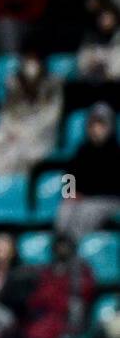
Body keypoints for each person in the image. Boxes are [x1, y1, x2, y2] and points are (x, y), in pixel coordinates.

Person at [0, 51, 62, 192]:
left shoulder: (52, 83)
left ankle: (11, 194)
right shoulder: (15, 82)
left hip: (39, 136)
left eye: (35, 60)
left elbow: (52, 116)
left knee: (17, 157)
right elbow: (6, 113)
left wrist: (25, 131)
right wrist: (13, 130)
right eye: (28, 60)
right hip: (13, 133)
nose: (31, 65)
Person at [21, 234, 96, 338]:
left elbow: (85, 294)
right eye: (59, 247)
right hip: (45, 319)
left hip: (69, 319)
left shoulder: (80, 271)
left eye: (65, 247)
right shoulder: (48, 271)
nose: (62, 250)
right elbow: (37, 298)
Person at [55, 101, 120, 241]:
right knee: (65, 209)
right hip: (83, 199)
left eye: (101, 125)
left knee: (88, 211)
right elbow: (68, 175)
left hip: (108, 201)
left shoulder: (116, 153)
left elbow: (112, 187)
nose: (97, 129)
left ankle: (76, 250)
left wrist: (86, 194)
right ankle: (60, 246)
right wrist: (70, 194)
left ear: (110, 127)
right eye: (93, 125)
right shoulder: (82, 151)